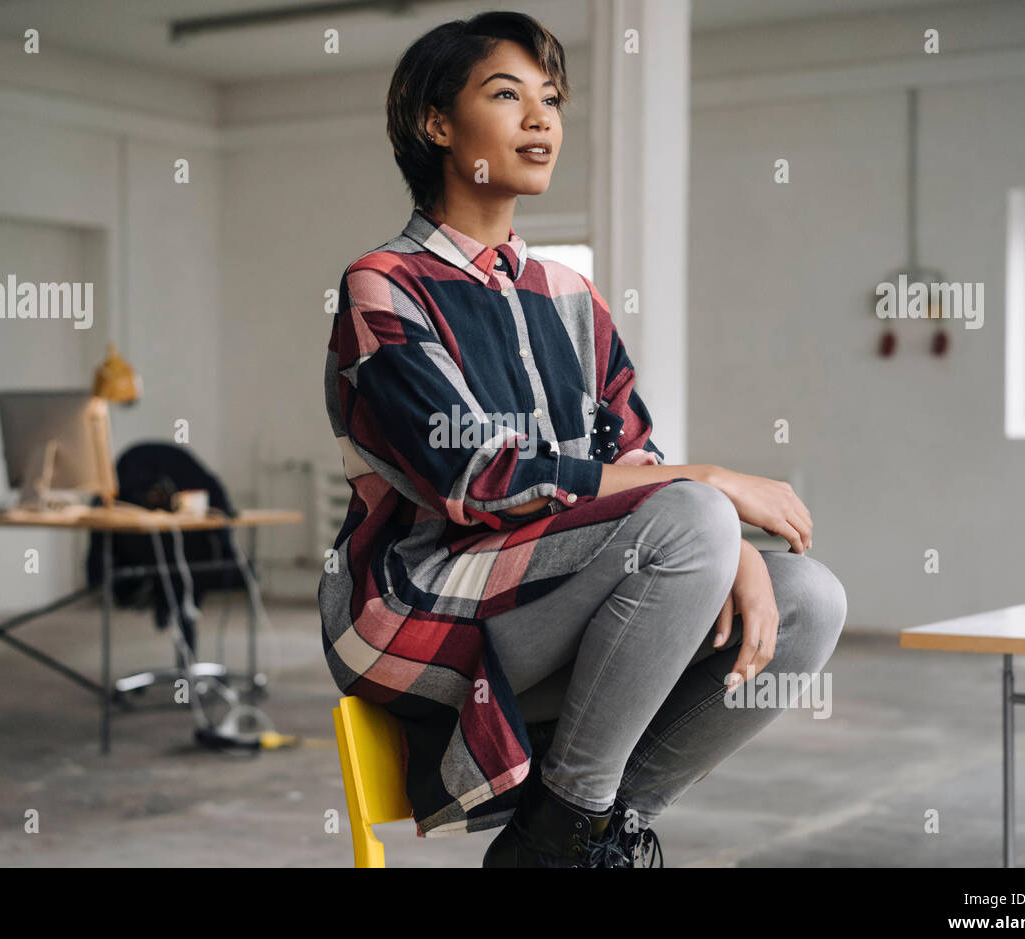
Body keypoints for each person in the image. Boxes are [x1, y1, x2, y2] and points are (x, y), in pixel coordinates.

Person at [318, 10, 846, 867]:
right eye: (507, 94)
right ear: (437, 124)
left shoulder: (572, 295)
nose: (541, 119)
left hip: (547, 593)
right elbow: (475, 474)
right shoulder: (385, 283)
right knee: (696, 518)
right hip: (419, 602)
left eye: (552, 99)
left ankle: (577, 830)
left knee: (809, 598)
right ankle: (569, 833)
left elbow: (631, 454)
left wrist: (729, 545)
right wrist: (708, 491)